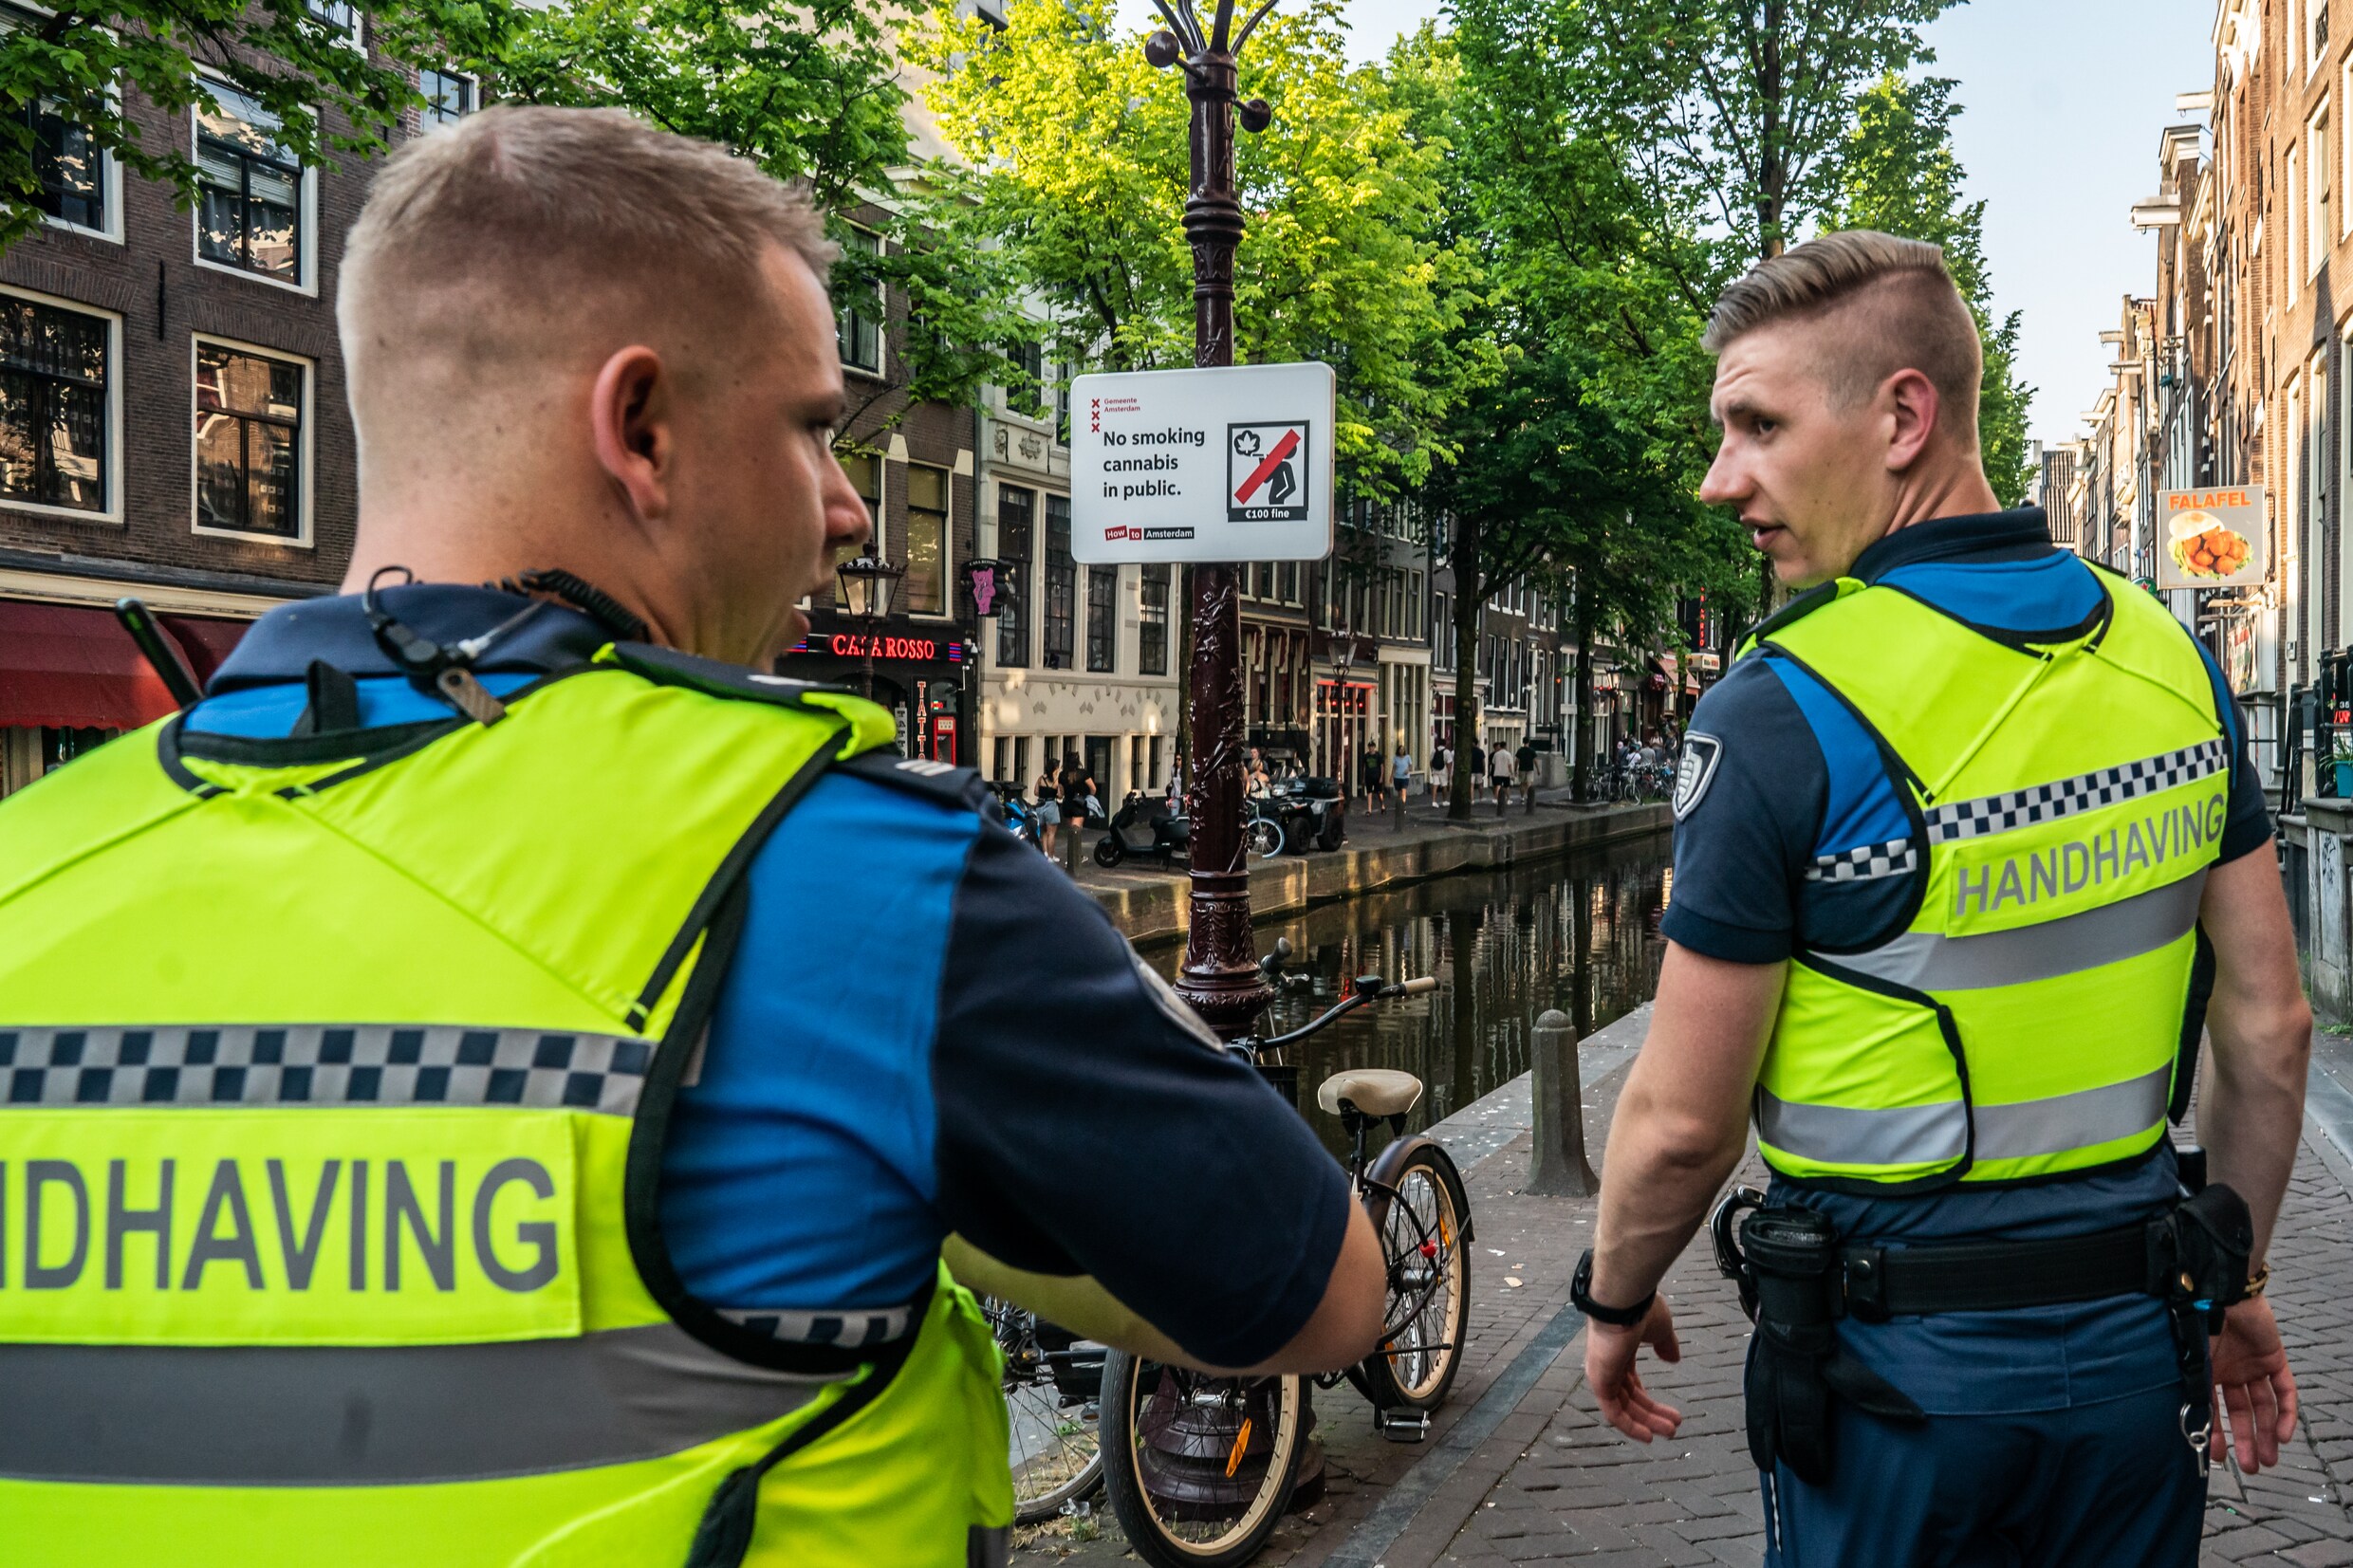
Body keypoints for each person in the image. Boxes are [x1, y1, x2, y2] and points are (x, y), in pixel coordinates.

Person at [0, 108, 1389, 1568]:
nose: (849, 509)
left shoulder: (36, 868)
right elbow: (1323, 1292)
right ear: (642, 428)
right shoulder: (848, 867)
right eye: (810, 428)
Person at [1575, 231, 2307, 1567]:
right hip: (2141, 1356)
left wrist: (1612, 1294)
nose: (1716, 478)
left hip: (1896, 1385)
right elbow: (2269, 1028)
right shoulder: (2166, 656)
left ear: (1904, 415)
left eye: (1756, 424)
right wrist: (2235, 1280)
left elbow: (1685, 1121)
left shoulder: (1784, 710)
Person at [1034, 756, 1062, 858]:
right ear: (1055, 769)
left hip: (1040, 806)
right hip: (1051, 806)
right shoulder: (1057, 781)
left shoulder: (1041, 779)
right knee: (1052, 833)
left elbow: (1036, 792)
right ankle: (1051, 856)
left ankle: (1045, 853)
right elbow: (1060, 795)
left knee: (1043, 832)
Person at [1488, 739, 1515, 814]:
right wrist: (1512, 774)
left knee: (1497, 786)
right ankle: (1508, 799)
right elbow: (1509, 765)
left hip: (1497, 772)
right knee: (1507, 787)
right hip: (1505, 773)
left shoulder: (1496, 754)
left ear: (1500, 746)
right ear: (1505, 746)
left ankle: (1496, 799)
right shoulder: (1508, 754)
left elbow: (1493, 763)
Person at [1360, 743, 1386, 811]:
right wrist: (1364, 777)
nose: (1371, 748)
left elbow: (1382, 767)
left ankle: (1382, 805)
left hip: (1377, 776)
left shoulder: (1378, 756)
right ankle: (1369, 809)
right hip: (1368, 776)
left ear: (1374, 747)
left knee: (1379, 792)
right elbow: (1365, 767)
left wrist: (1381, 777)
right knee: (1369, 792)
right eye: (1370, 747)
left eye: (1372, 747)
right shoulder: (1366, 756)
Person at [1432, 738, 1452, 810]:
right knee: (1444, 785)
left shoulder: (1434, 750)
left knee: (1435, 785)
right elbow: (1449, 763)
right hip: (1443, 771)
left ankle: (1434, 801)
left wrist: (1432, 769)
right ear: (1445, 744)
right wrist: (1449, 773)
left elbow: (1431, 761)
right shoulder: (1447, 752)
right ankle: (1444, 801)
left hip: (1435, 770)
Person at [1392, 744, 1413, 810]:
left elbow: (1410, 766)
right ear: (1398, 750)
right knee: (1399, 792)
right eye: (1400, 750)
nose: (1402, 751)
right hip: (1397, 777)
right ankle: (1399, 804)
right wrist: (1391, 776)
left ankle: (1403, 805)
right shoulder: (1395, 758)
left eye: (1403, 750)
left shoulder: (1408, 757)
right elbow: (1394, 767)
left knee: (1404, 790)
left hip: (1405, 777)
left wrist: (1408, 770)